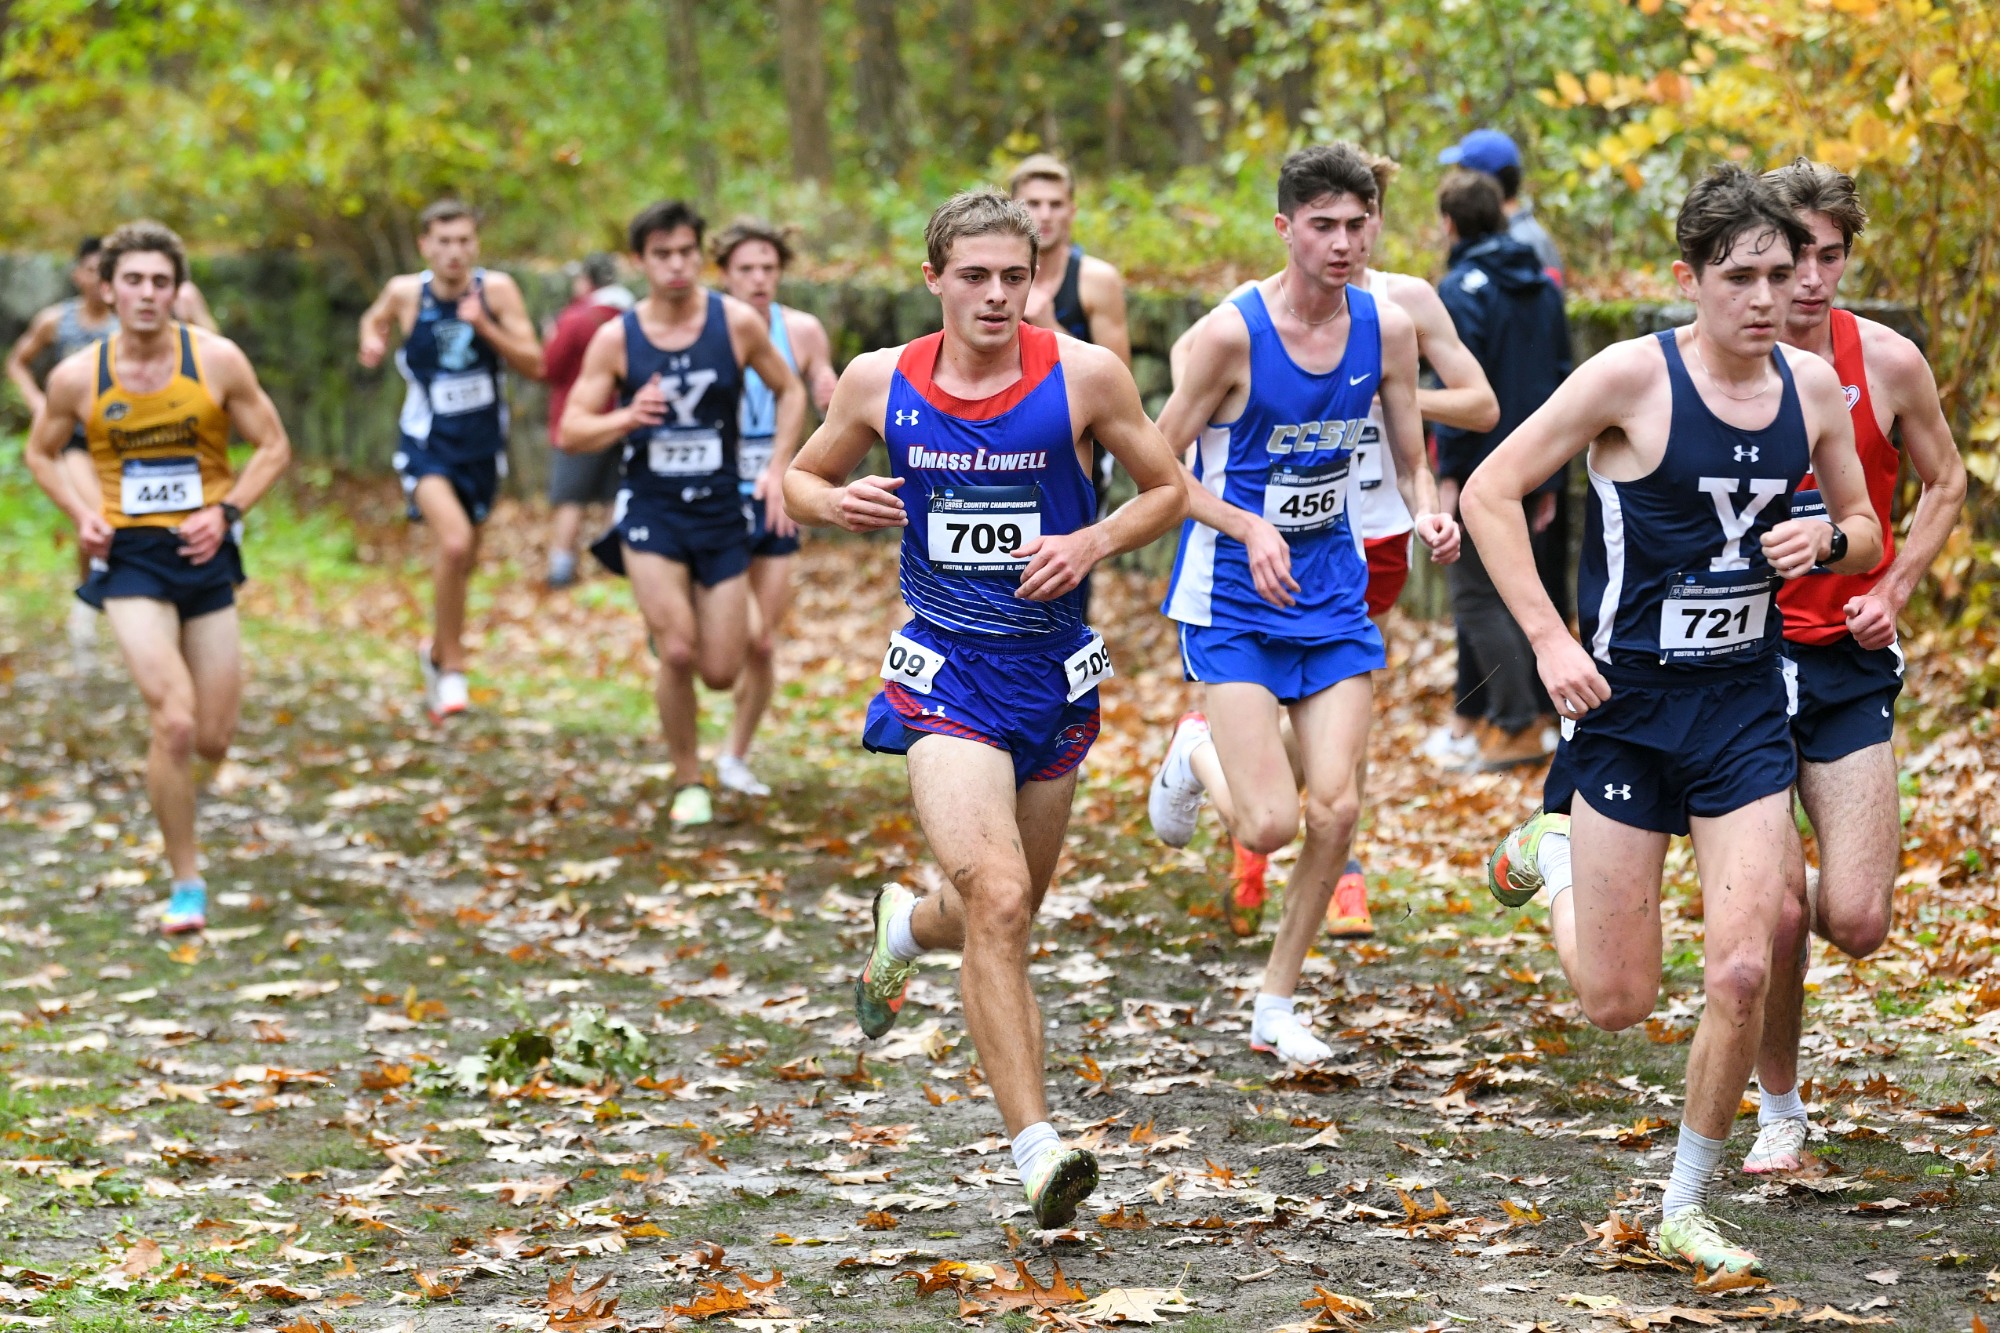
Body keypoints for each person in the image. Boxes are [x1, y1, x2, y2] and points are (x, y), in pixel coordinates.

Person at [1465, 166, 1882, 1276]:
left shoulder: (1812, 389)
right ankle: (1555, 853)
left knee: (1742, 968)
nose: (1765, 296)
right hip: (1624, 709)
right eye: (1739, 276)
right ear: (1688, 279)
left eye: (1780, 273)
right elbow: (1488, 492)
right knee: (1616, 1000)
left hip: (1743, 707)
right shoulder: (1627, 378)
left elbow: (1864, 525)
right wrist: (1550, 640)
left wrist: (1828, 543)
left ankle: (1684, 1204)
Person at [783, 191, 1185, 1229]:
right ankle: (1038, 1151)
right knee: (999, 900)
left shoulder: (1085, 375)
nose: (997, 295)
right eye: (974, 276)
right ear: (934, 280)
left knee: (999, 911)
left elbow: (1166, 490)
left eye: (1015, 275)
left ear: (1036, 278)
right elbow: (798, 479)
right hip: (944, 672)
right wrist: (834, 501)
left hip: (1052, 675)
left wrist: (1091, 540)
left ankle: (905, 924)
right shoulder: (880, 380)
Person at [1145, 144, 1460, 1060]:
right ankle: (1194, 749)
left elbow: (1410, 458)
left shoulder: (1387, 329)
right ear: (1286, 229)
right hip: (1234, 595)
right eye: (1323, 225)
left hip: (1330, 590)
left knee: (1336, 810)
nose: (1344, 243)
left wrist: (1429, 513)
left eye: (1358, 225)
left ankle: (1276, 1002)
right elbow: (1155, 464)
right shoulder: (1230, 336)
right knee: (1268, 823)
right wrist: (1246, 525)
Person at [1744, 159, 1966, 1176]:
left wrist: (1895, 589)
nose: (1809, 278)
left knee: (1857, 919)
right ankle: (1778, 1108)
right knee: (1781, 912)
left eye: (1829, 257)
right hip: (1740, 665)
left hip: (1844, 659)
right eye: (1792, 256)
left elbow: (1945, 480)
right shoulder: (1709, 366)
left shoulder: (1885, 361)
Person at [22, 221, 292, 935]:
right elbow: (40, 453)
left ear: (177, 291)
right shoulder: (77, 376)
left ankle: (197, 785)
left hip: (204, 552)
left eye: (160, 281)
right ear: (108, 289)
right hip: (131, 556)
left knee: (212, 736)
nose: (147, 293)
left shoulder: (217, 362)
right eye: (134, 280)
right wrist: (82, 513)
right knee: (172, 721)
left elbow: (273, 445)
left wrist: (227, 511)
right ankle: (186, 882)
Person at [559, 201, 806, 828]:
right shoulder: (618, 338)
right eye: (662, 254)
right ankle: (688, 778)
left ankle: (677, 621)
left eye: (686, 253)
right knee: (676, 652)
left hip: (721, 513)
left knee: (720, 671)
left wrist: (778, 467)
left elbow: (791, 390)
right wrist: (626, 416)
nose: (676, 265)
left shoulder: (735, 324)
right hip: (652, 512)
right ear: (640, 261)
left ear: (700, 256)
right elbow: (572, 429)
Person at [357, 199, 545, 722]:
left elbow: (536, 363)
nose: (454, 252)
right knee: (455, 542)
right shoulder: (405, 292)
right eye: (443, 242)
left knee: (465, 561)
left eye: (464, 241)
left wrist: (485, 327)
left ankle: (437, 650)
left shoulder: (497, 291)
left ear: (476, 245)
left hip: (482, 449)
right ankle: (455, 665)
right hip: (426, 444)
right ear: (425, 246)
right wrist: (372, 340)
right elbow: (373, 319)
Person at [1433, 169, 1575, 772]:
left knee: (1476, 595)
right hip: (1535, 465)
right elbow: (1562, 381)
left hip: (1479, 472)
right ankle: (1536, 718)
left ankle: (1516, 724)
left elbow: (1458, 388)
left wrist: (1448, 477)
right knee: (1525, 590)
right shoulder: (1541, 284)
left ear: (1449, 224)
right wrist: (1551, 477)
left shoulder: (1459, 289)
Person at [710, 218, 838, 797]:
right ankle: (685, 627)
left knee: (761, 642)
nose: (759, 279)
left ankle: (734, 755)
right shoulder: (705, 327)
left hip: (774, 491)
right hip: (714, 493)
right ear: (724, 275)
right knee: (735, 635)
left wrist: (829, 391)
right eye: (746, 269)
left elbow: (826, 396)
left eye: (768, 268)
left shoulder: (802, 330)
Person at [1010, 154, 1133, 623]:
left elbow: (1118, 379)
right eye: (1033, 203)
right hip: (997, 435)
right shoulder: (987, 275)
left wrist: (1047, 324)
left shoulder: (1096, 281)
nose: (1044, 214)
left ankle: (1068, 643)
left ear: (1072, 211)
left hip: (1074, 445)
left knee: (1071, 557)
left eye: (1055, 203)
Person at [8, 237, 123, 664]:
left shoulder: (125, 324)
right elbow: (17, 361)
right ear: (78, 274)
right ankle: (87, 601)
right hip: (73, 440)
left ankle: (117, 595)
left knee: (119, 518)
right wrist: (37, 401)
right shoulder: (57, 321)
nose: (99, 279)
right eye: (92, 270)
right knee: (93, 515)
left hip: (120, 440)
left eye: (106, 271)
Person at [543, 254, 636, 589]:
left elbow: (550, 367)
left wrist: (550, 337)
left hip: (581, 422)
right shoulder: (632, 317)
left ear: (587, 281)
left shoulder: (576, 319)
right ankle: (613, 566)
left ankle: (561, 568)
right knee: (615, 493)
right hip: (625, 420)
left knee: (572, 497)